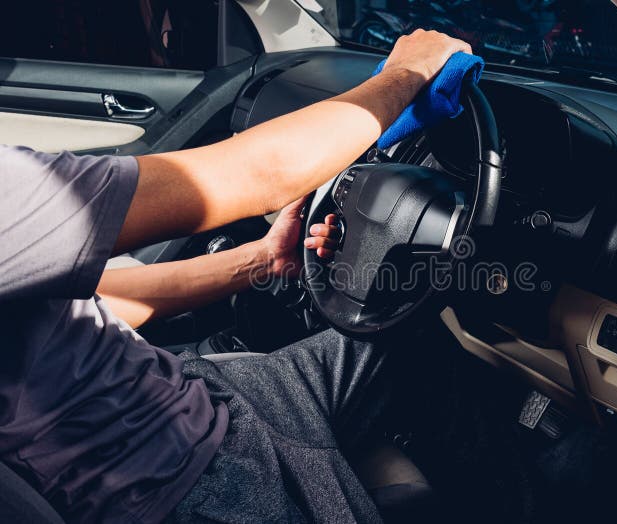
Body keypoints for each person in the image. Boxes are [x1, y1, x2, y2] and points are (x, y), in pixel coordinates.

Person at [0, 30, 472, 523]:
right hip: (178, 478)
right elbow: (262, 175)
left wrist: (262, 259)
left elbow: (84, 305)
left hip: (171, 405)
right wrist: (408, 72)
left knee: (409, 340)